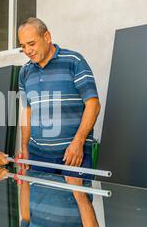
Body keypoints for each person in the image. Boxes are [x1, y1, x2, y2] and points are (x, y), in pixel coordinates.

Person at [17, 18, 101, 179]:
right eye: (23, 46)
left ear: (47, 37)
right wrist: (24, 147)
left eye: (31, 43)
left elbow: (93, 105)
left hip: (73, 155)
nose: (27, 50)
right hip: (38, 157)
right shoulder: (25, 72)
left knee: (75, 202)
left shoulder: (74, 61)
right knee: (40, 202)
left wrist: (78, 143)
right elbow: (27, 111)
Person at [17, 173, 100, 227]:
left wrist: (25, 175)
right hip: (72, 177)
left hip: (38, 173)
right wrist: (78, 189)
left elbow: (26, 218)